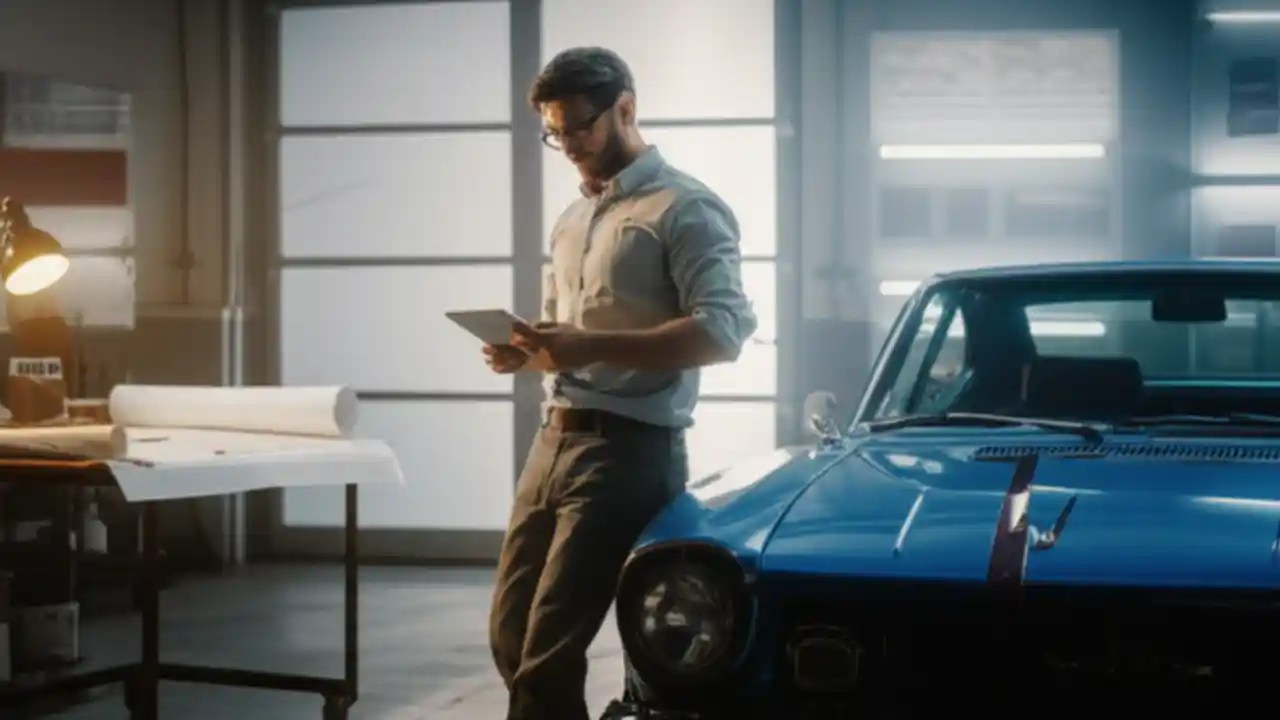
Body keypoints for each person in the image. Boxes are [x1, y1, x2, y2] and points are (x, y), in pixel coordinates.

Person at [483, 46, 758, 720]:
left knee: (547, 649)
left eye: (579, 126)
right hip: (554, 440)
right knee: (511, 634)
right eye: (556, 132)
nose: (568, 144)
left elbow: (723, 333)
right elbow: (568, 338)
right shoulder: (574, 220)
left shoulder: (686, 207)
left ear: (625, 109)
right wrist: (531, 353)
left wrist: (590, 343)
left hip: (630, 448)